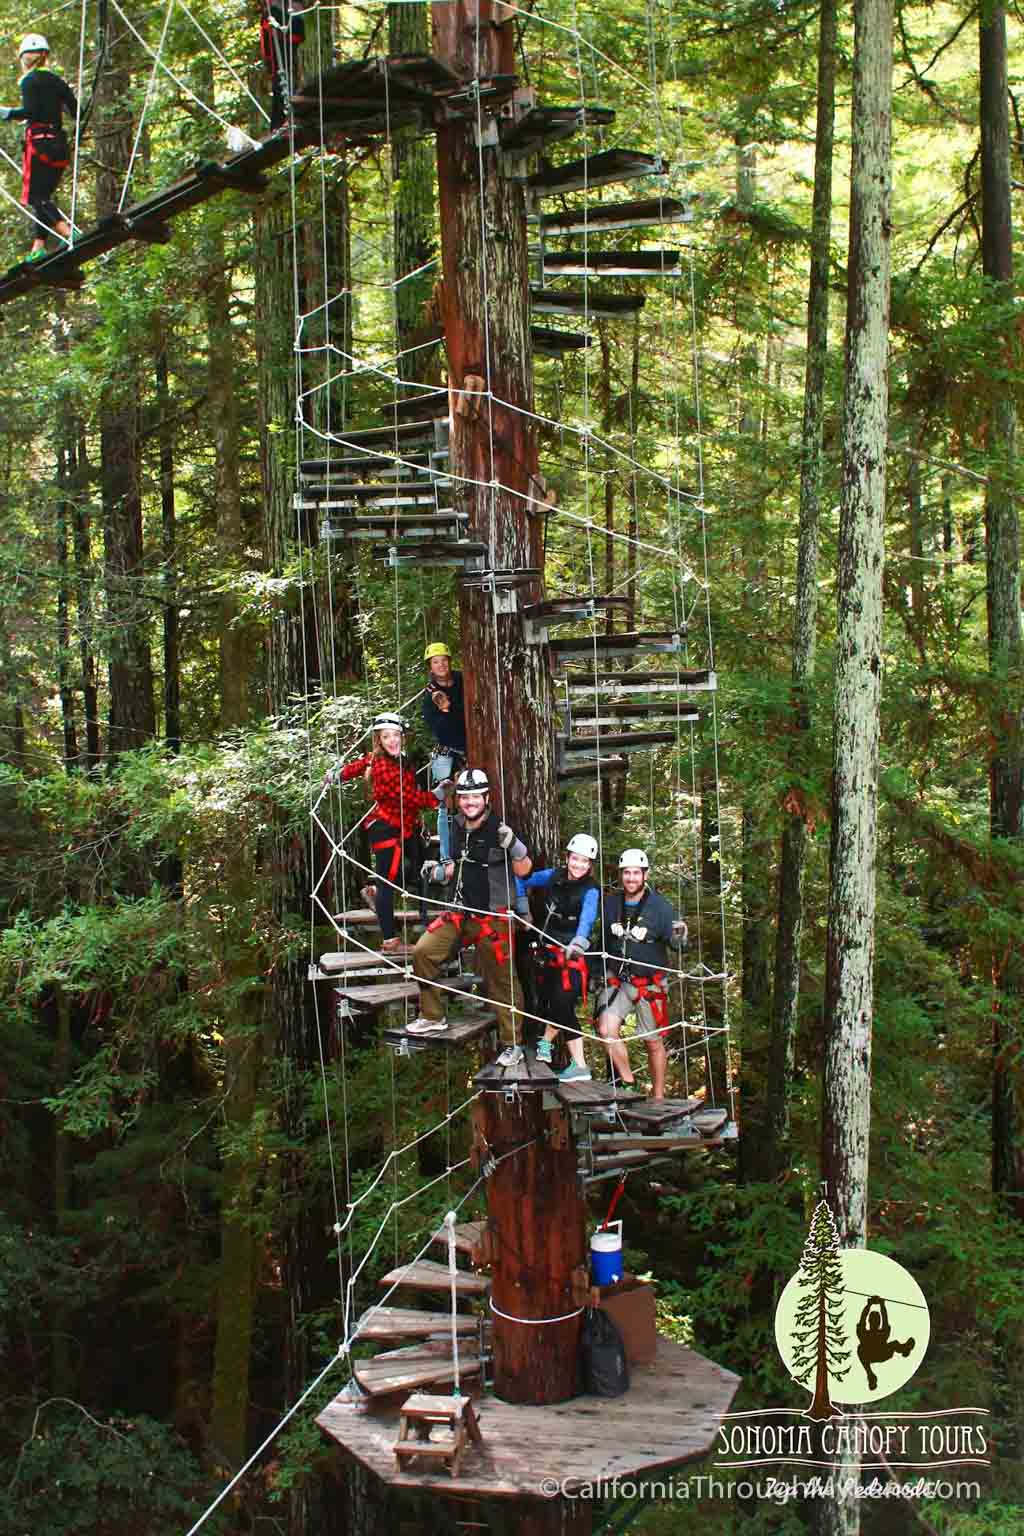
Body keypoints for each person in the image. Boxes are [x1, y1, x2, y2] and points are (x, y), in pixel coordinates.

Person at [409, 768, 531, 1064]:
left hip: (493, 916)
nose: (469, 802)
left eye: (475, 796)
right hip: (460, 913)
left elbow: (524, 869)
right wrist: (439, 871)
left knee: (502, 978)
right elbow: (456, 868)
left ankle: (512, 1042)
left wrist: (513, 846)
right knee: (424, 951)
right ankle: (433, 1015)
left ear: (486, 798)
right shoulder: (457, 826)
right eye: (464, 797)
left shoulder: (500, 829)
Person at [333, 712, 447, 951]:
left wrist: (338, 774)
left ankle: (373, 891)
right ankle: (389, 939)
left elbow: (358, 765)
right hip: (386, 830)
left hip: (404, 828)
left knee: (415, 870)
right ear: (379, 740)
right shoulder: (384, 766)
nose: (392, 740)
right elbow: (407, 798)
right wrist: (436, 796)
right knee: (387, 882)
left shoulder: (394, 758)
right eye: (387, 737)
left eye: (396, 735)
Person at [594, 849, 679, 1101]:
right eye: (627, 873)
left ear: (645, 875)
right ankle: (629, 1082)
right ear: (621, 875)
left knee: (652, 1041)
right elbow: (603, 941)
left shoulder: (660, 907)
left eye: (636, 873)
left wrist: (677, 935)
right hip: (619, 980)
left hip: (649, 983)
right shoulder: (610, 904)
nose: (631, 878)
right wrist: (596, 973)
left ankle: (659, 1096)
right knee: (606, 1030)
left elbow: (676, 940)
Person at [517, 834, 600, 1083]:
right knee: (549, 1002)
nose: (578, 866)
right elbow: (522, 878)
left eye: (584, 862)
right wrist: (523, 907)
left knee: (563, 1003)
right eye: (575, 859)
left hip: (573, 957)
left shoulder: (591, 890)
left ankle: (580, 1065)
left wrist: (578, 942)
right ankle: (545, 1044)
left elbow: (587, 918)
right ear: (568, 858)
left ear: (590, 865)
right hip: (548, 951)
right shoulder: (553, 876)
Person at [0, 36, 78, 256]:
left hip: (40, 143)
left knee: (36, 197)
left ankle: (69, 234)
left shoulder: (29, 80)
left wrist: (5, 113)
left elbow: (30, 113)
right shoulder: (57, 81)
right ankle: (39, 247)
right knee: (43, 196)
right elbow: (75, 110)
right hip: (59, 145)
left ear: (26, 57)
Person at [420, 642, 467, 863]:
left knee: (471, 794)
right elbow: (439, 729)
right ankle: (447, 855)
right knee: (445, 800)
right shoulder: (430, 698)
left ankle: (467, 841)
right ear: (430, 666)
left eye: (444, 660)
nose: (441, 665)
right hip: (449, 750)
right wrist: (445, 710)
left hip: (469, 745)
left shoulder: (463, 680)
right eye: (436, 662)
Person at [259, 1, 305, 132]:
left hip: (285, 58)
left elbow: (298, 35)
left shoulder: (285, 9)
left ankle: (284, 123)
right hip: (278, 60)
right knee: (281, 87)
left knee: (285, 86)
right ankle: (279, 125)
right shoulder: (271, 11)